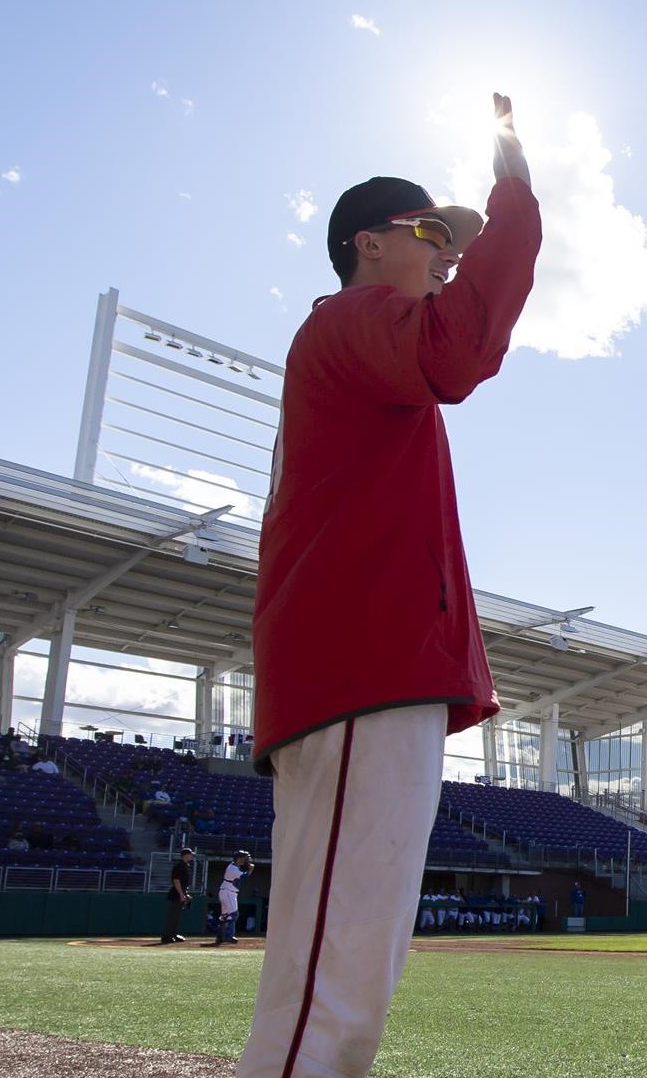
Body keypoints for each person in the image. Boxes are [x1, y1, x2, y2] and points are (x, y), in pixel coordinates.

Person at [235, 92, 540, 1078]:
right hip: (359, 672)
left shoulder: (358, 338)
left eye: (453, 238)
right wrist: (513, 201)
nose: (447, 250)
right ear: (370, 244)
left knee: (349, 977)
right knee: (331, 994)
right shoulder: (355, 318)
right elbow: (459, 346)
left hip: (374, 676)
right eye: (429, 234)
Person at [212, 850, 253, 945]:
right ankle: (228, 936)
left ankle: (220, 937)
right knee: (233, 914)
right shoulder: (233, 868)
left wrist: (248, 868)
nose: (246, 860)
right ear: (239, 858)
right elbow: (244, 877)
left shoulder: (234, 866)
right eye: (244, 858)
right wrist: (251, 869)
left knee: (224, 916)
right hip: (228, 892)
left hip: (227, 891)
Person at [162, 848, 194, 944]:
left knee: (177, 917)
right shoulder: (179, 865)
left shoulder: (185, 865)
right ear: (185, 855)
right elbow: (176, 880)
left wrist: (185, 894)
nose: (191, 856)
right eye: (190, 854)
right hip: (176, 894)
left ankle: (173, 934)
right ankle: (167, 936)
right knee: (173, 916)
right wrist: (181, 894)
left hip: (181, 893)